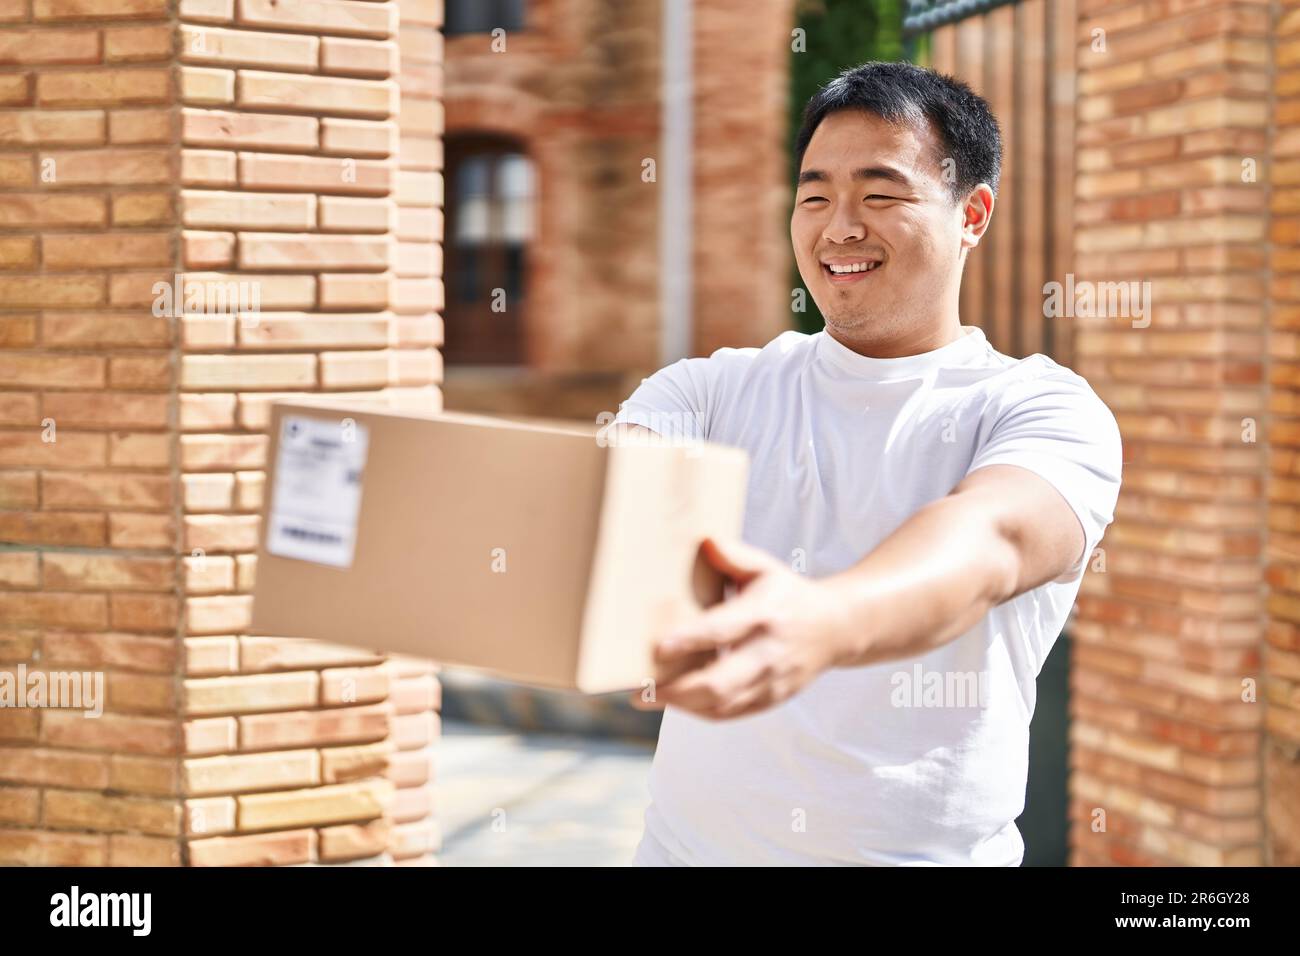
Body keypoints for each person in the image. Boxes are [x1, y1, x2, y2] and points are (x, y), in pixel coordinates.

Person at [607, 61, 1123, 866]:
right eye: (815, 197)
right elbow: (614, 498)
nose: (839, 227)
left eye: (880, 195)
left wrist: (823, 623)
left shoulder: (1041, 410)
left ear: (972, 214)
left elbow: (988, 544)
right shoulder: (708, 390)